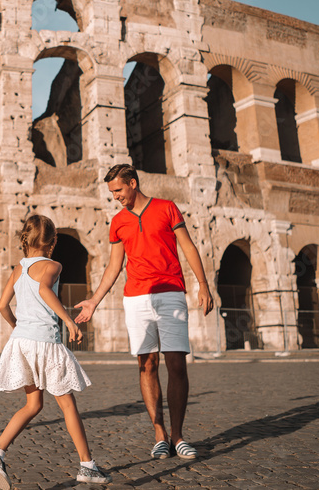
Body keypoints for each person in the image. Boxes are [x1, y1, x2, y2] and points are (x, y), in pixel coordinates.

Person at [74, 164, 214, 461]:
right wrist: (94, 301)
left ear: (133, 183)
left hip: (171, 293)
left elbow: (188, 247)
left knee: (176, 364)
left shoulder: (167, 208)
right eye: (111, 192)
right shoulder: (117, 222)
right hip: (136, 299)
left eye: (118, 190)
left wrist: (203, 285)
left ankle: (178, 436)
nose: (115, 197)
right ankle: (160, 434)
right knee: (146, 365)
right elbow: (114, 266)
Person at [0, 215, 110, 488]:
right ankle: (87, 466)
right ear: (53, 241)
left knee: (33, 405)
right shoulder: (53, 265)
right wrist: (68, 320)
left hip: (22, 342)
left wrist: (18, 327)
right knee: (68, 404)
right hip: (45, 344)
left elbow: (2, 305)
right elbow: (44, 289)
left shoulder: (19, 268)